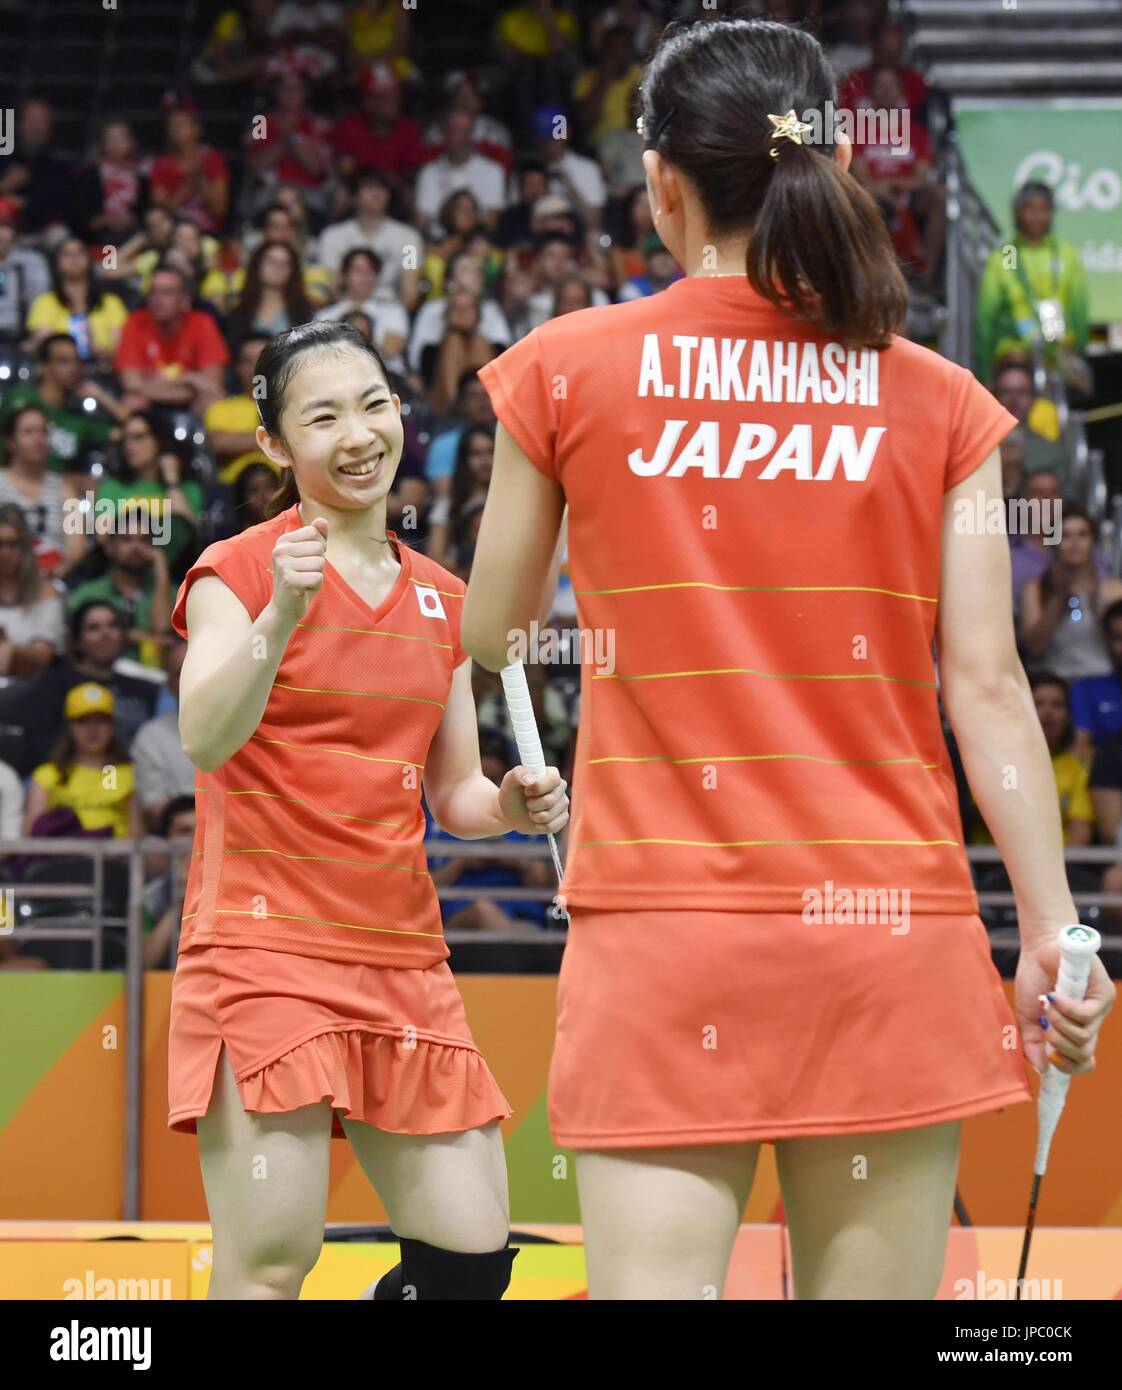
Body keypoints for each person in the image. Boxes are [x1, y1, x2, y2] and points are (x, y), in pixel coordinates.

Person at [463, 17, 1115, 1300]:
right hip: (886, 940)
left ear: (663, 184)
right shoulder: (940, 399)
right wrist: (1051, 927)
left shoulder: (564, 372)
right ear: (835, 165)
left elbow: (494, 632)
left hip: (661, 940)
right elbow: (984, 685)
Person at [166, 320, 568, 1300]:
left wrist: (510, 807)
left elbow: (453, 793)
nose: (358, 433)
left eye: (374, 404)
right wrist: (279, 621)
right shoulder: (241, 571)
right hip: (266, 957)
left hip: (401, 962)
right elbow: (204, 738)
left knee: (472, 1265)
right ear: (275, 445)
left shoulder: (444, 599)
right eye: (324, 415)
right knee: (271, 1261)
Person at [974, 182, 1090, 390]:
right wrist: (985, 371)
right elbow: (986, 315)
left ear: (1052, 213)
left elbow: (1079, 306)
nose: (1036, 215)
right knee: (1016, 377)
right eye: (1029, 208)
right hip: (1017, 350)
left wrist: (1078, 352)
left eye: (1043, 209)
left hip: (1059, 348)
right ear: (1017, 213)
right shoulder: (1008, 253)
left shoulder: (1065, 252)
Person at [968, 672, 1093, 848]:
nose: (1048, 712)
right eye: (1038, 704)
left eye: (1057, 705)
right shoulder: (998, 762)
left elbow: (1080, 831)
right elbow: (993, 819)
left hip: (1061, 865)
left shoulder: (1077, 767)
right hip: (997, 864)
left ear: (1068, 715)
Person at [24, 681, 141, 839]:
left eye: (101, 720)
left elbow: (136, 836)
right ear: (70, 727)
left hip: (115, 860)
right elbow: (34, 834)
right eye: (83, 721)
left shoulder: (123, 773)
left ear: (112, 726)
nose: (92, 729)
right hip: (60, 860)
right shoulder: (48, 774)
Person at [1019, 506, 1122, 682]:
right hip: (1053, 687)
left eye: (1082, 534)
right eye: (1065, 535)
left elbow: (1116, 646)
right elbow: (1034, 648)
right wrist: (1057, 598)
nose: (1075, 542)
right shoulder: (1034, 590)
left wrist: (1096, 597)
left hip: (1103, 683)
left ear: (1093, 541)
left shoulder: (1115, 589)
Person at [114, 265, 230, 413]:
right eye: (153, 292)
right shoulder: (135, 322)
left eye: (166, 292)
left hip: (190, 407)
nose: (157, 299)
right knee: (133, 401)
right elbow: (132, 385)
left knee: (212, 401)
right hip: (152, 406)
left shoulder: (202, 323)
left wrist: (151, 387)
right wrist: (188, 379)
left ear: (185, 300)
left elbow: (212, 386)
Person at [0, 405, 84, 575]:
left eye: (43, 431)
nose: (38, 439)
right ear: (10, 442)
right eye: (29, 432)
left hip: (51, 579)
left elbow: (76, 548)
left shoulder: (65, 489)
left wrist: (54, 574)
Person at [24, 236, 129, 368]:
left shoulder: (111, 303)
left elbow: (122, 344)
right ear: (56, 263)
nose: (74, 258)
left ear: (89, 259)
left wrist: (104, 351)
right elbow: (41, 342)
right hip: (59, 372)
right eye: (66, 254)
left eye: (80, 252)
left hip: (104, 369)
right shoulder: (45, 302)